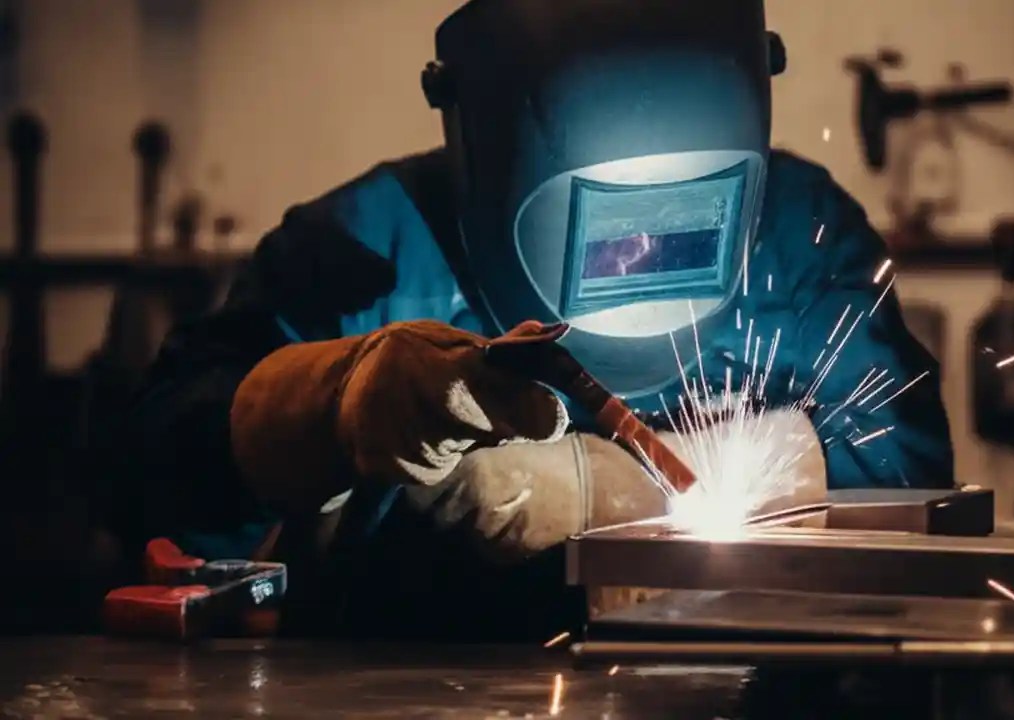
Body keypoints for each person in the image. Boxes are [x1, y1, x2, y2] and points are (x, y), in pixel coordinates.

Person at [106, 0, 953, 639]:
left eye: (684, 223)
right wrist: (330, 407)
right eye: (612, 238)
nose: (642, 258)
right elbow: (153, 487)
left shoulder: (798, 236)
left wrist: (610, 492)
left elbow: (911, 479)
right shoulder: (371, 249)